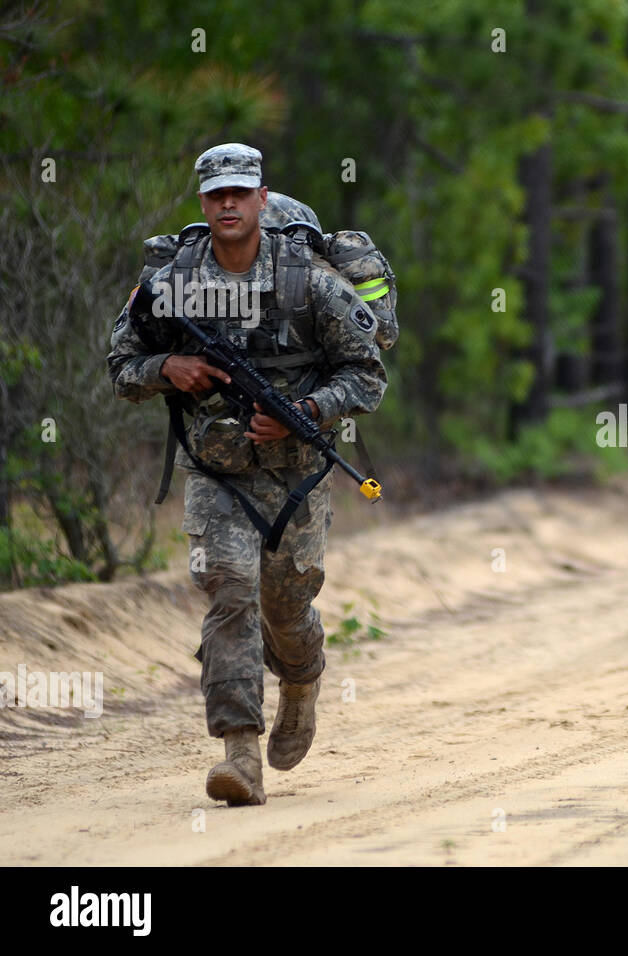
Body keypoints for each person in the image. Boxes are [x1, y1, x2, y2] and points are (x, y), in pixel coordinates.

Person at [106, 144, 387, 806]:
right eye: (215, 195)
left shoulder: (310, 284)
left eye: (240, 192)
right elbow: (120, 363)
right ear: (202, 204)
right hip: (217, 470)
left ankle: (301, 679)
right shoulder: (170, 282)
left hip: (296, 476)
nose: (228, 204)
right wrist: (163, 370)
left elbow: (367, 372)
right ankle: (239, 752)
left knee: (285, 607)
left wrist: (307, 411)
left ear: (262, 199)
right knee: (228, 591)